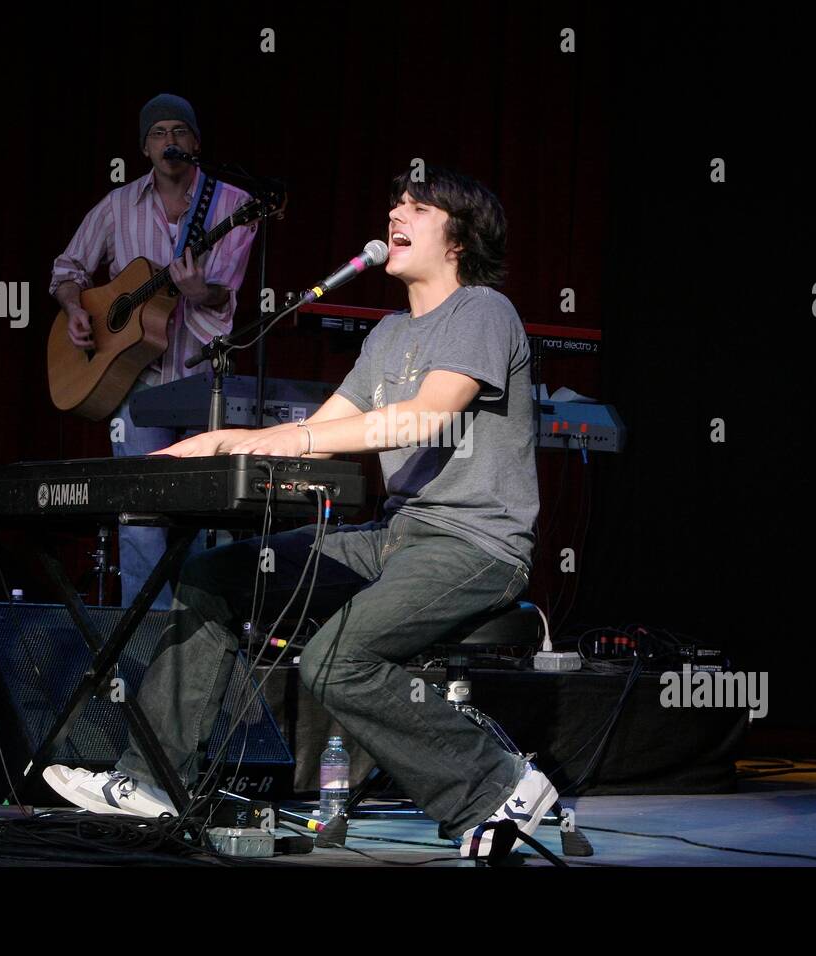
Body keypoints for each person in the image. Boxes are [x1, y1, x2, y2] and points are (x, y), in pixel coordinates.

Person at [44, 166, 557, 858]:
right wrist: (225, 443)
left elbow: (421, 418)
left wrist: (286, 439)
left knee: (333, 659)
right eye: (394, 201)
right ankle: (151, 780)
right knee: (213, 580)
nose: (395, 214)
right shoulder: (385, 338)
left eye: (416, 206)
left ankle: (497, 785)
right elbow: (316, 433)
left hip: (475, 545)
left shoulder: (484, 313)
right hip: (394, 536)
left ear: (459, 236)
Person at [49, 93, 257, 609]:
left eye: (180, 132)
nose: (170, 141)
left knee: (207, 522)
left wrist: (198, 291)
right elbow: (67, 269)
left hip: (203, 385)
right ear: (145, 147)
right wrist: (76, 308)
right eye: (159, 133)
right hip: (134, 383)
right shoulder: (118, 205)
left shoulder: (233, 205)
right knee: (141, 521)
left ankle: (203, 641)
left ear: (196, 145)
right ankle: (146, 649)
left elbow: (223, 294)